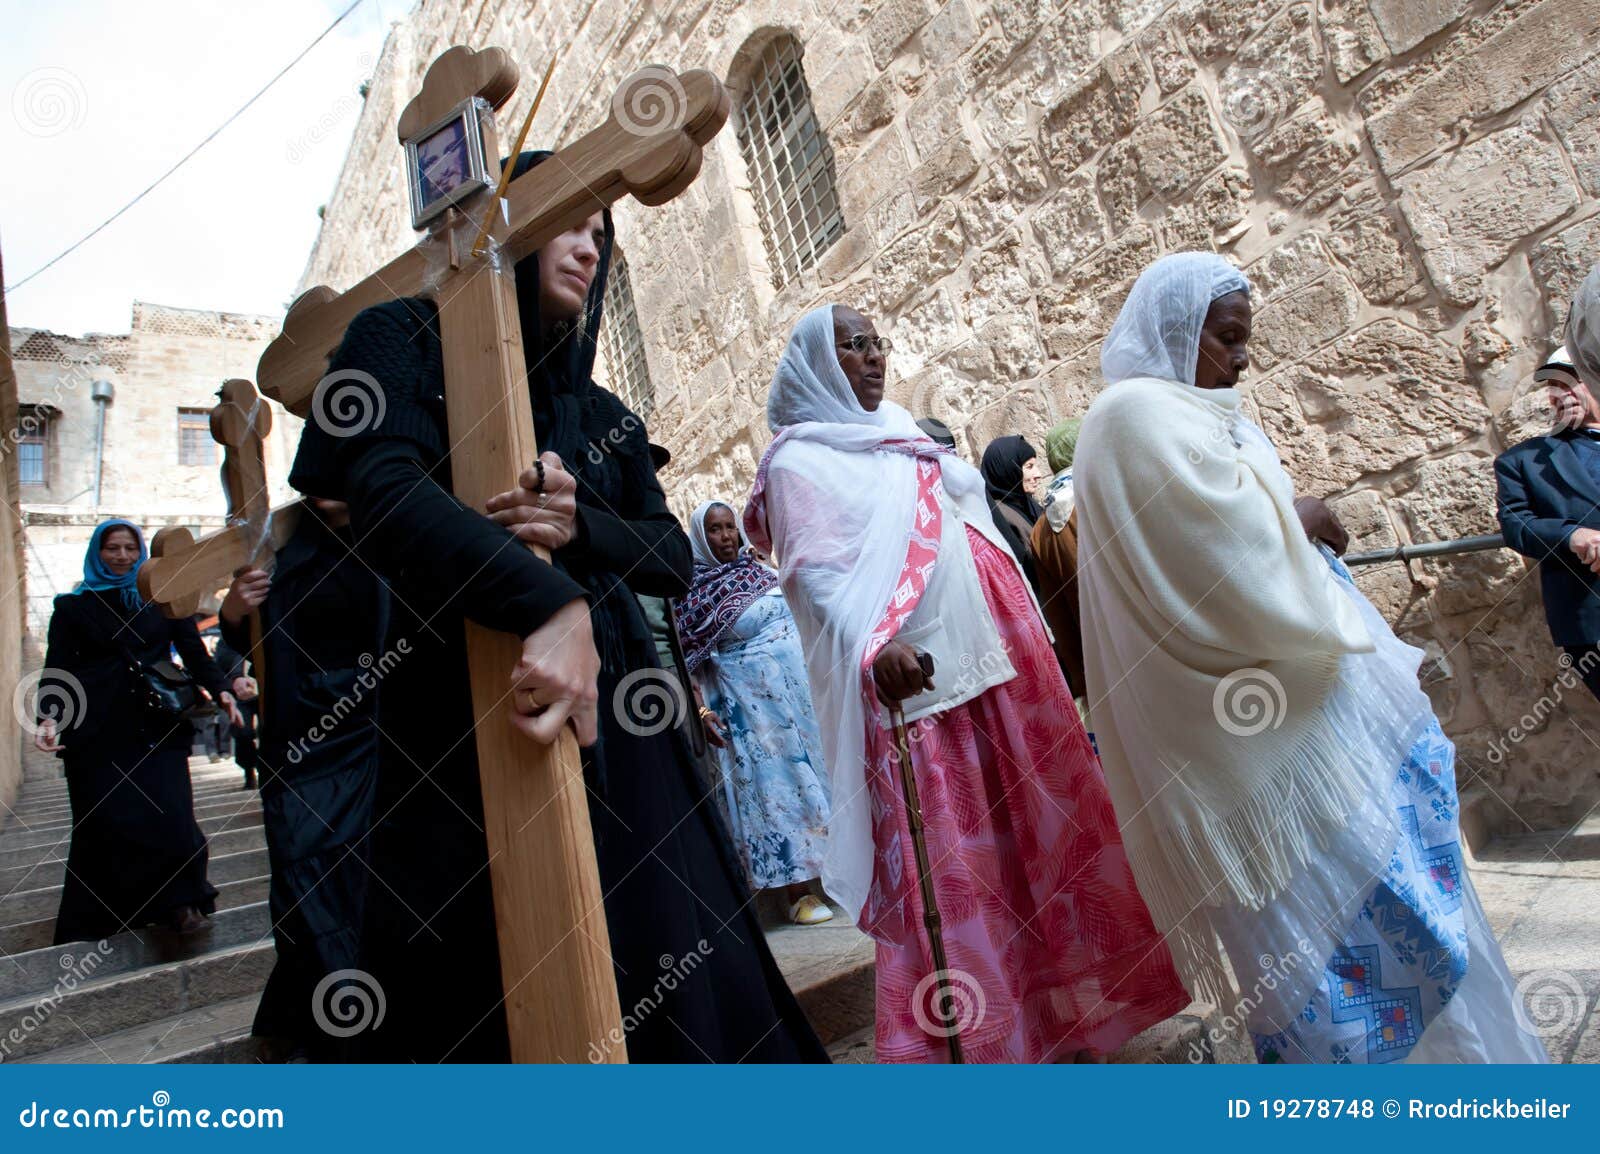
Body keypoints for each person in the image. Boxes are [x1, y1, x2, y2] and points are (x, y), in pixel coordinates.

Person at [287, 150, 826, 1064]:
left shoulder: (604, 414)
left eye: (601, 235)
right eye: (568, 224)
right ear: (512, 220)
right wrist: (549, 603)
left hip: (622, 720)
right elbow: (382, 489)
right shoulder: (398, 336)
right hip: (458, 703)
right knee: (480, 976)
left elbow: (667, 556)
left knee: (662, 946)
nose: (588, 248)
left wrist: (583, 530)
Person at [1074, 252, 1547, 1063]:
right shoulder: (1131, 417)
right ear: (1178, 329)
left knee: (1417, 941)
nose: (1242, 357)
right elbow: (1210, 568)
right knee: (1329, 968)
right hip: (1257, 752)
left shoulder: (1193, 411)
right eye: (1228, 338)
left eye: (1245, 338)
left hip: (1312, 723)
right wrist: (1296, 517)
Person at [745, 303, 1189, 1063]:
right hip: (920, 687)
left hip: (996, 660)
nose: (874, 357)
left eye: (878, 342)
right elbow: (813, 574)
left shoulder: (901, 430)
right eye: (854, 346)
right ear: (818, 364)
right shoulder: (798, 462)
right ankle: (986, 1042)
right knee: (961, 866)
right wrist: (872, 645)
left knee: (1038, 835)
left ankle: (1067, 1015)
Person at [218, 497, 386, 1062]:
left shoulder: (397, 531)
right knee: (304, 878)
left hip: (378, 736)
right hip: (302, 742)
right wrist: (235, 612)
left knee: (370, 884)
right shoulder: (284, 550)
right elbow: (251, 642)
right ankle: (324, 1024)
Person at [33, 520, 241, 939]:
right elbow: (59, 667)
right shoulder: (72, 608)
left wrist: (223, 690)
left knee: (171, 812)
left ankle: (181, 904)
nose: (123, 556)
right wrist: (48, 717)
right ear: (98, 552)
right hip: (95, 732)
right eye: (113, 548)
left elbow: (194, 652)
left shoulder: (165, 599)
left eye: (130, 548)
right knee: (108, 823)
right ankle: (110, 916)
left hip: (156, 725)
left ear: (141, 552)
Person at [680, 500, 833, 925]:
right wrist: (701, 710)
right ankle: (798, 893)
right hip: (754, 717)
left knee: (820, 782)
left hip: (800, 704)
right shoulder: (694, 594)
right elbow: (687, 659)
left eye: (730, 526)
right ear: (700, 538)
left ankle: (839, 876)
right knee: (778, 795)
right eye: (715, 529)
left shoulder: (760, 572)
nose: (726, 536)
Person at [1496, 338, 1600, 700]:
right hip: (1592, 620)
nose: (1557, 394)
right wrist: (1573, 536)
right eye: (1552, 386)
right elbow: (1516, 526)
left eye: (1568, 381)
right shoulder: (1522, 462)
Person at [1028, 418, 1087, 700]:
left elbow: (1058, 613)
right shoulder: (1096, 496)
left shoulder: (1040, 529)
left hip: (1094, 654)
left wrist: (1080, 676)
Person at [979, 434, 1044, 591]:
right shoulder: (1000, 517)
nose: (1038, 474)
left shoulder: (1028, 504)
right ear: (1006, 470)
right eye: (1029, 467)